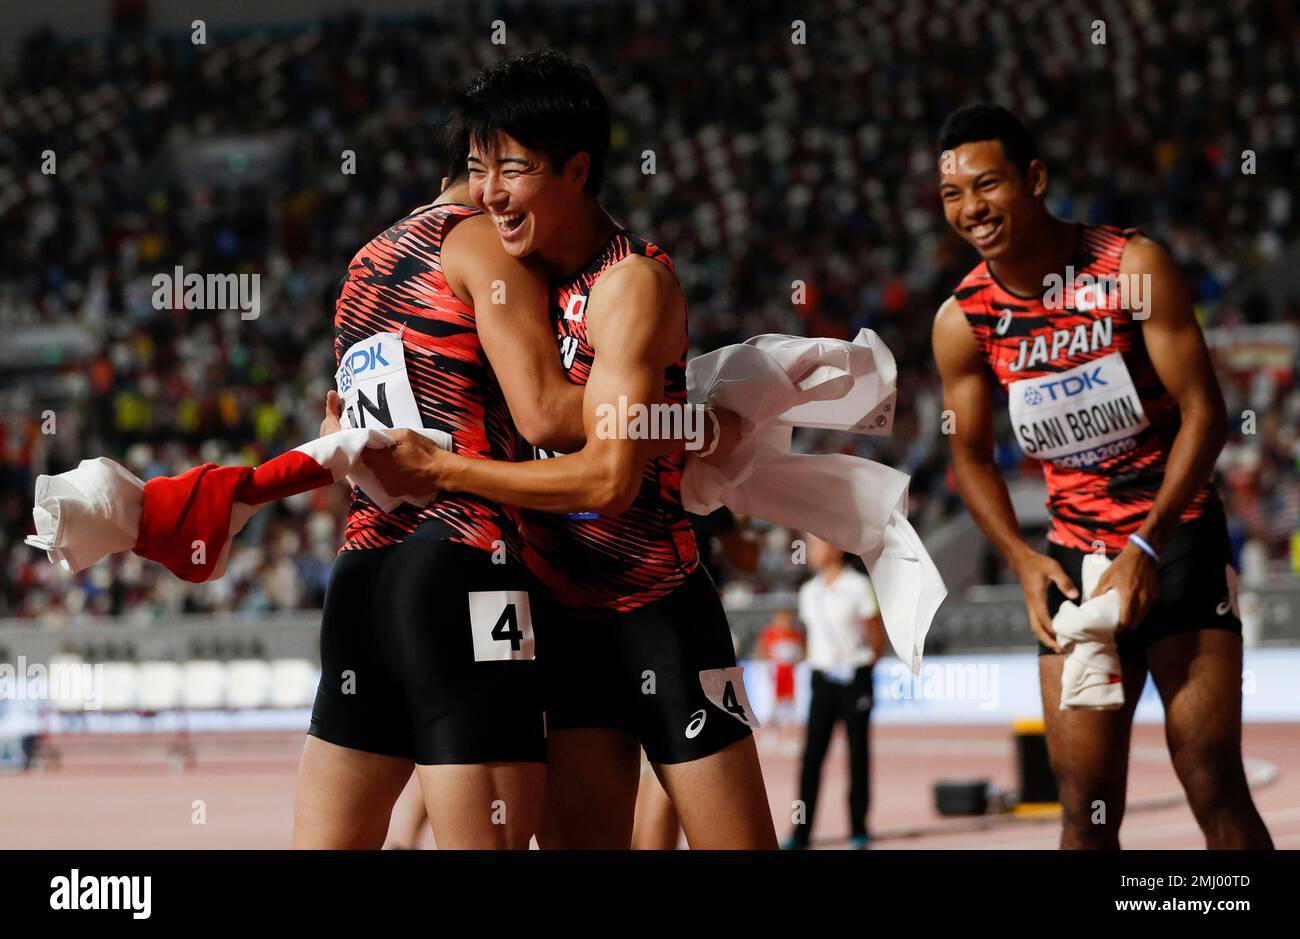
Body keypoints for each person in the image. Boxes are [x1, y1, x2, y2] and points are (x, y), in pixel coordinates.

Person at [361, 50, 777, 850]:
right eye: (480, 169)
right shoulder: (507, 284)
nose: (488, 195)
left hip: (658, 610)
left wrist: (442, 471)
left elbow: (608, 480)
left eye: (512, 171)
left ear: (577, 170)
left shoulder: (631, 285)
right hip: (554, 619)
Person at [931, 102, 1272, 849]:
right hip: (1070, 559)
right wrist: (1023, 560)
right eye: (952, 194)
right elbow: (971, 455)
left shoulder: (1131, 267)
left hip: (1175, 540)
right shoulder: (963, 320)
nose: (970, 209)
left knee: (1213, 778)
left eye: (986, 185)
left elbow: (1205, 413)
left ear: (1035, 177)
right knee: (1084, 803)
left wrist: (1146, 545)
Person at [293, 134, 589, 850]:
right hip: (465, 567)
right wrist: (666, 400)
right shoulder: (484, 242)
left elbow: (344, 427)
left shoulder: (363, 267)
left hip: (364, 577)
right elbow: (544, 412)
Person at [782, 536, 884, 850]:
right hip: (821, 679)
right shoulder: (808, 591)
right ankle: (801, 832)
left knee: (857, 755)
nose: (810, 552)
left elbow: (876, 636)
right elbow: (808, 636)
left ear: (836, 548)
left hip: (855, 677)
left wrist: (862, 668)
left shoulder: (859, 586)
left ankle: (858, 827)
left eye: (816, 545)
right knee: (811, 756)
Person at [756, 608, 804, 757]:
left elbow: (802, 652)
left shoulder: (796, 634)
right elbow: (761, 650)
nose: (785, 622)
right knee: (772, 709)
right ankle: (769, 737)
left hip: (790, 675)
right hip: (774, 675)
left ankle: (789, 740)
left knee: (790, 709)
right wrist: (766, 668)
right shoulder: (770, 633)